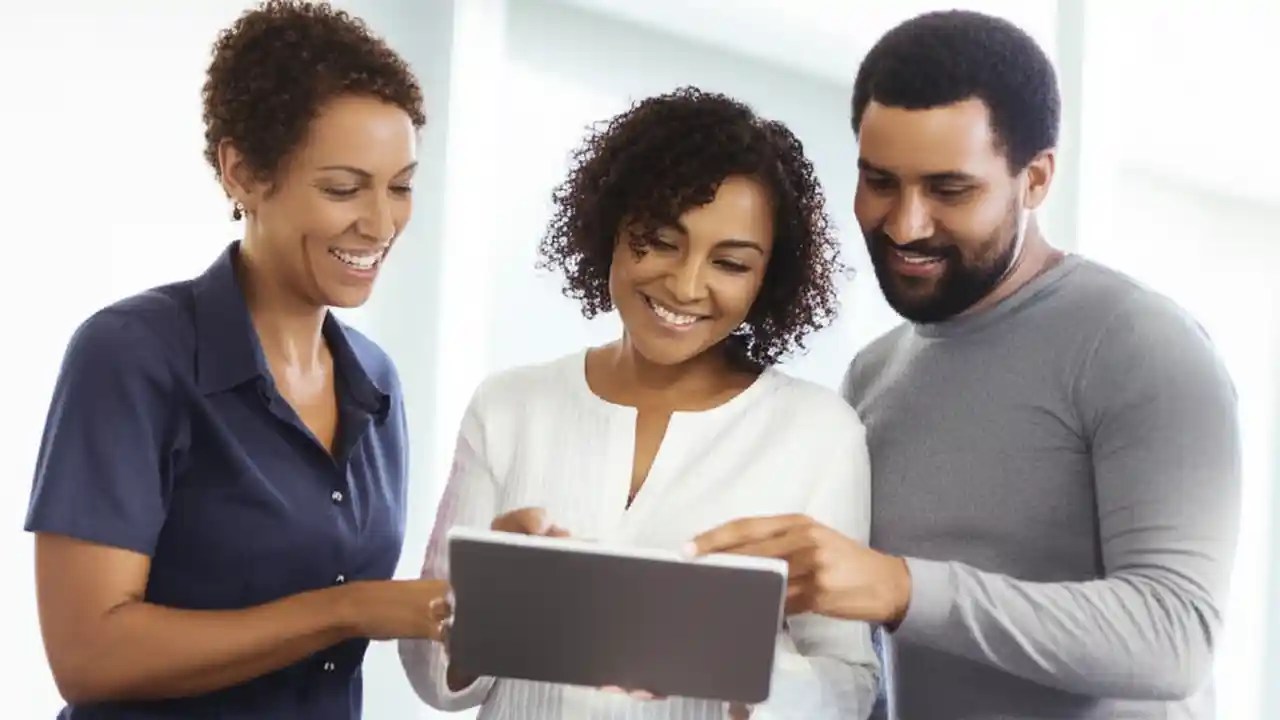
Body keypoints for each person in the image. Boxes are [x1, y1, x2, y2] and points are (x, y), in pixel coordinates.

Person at [692, 10, 1241, 720]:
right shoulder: (874, 375)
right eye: (879, 180)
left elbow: (1176, 637)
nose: (905, 223)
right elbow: (853, 647)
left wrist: (901, 588)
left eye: (950, 190)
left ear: (1035, 178)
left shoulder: (1141, 345)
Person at [23, 3, 452, 718]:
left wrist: (502, 576)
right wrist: (343, 611)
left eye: (400, 186)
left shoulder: (375, 384)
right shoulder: (132, 356)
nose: (380, 224)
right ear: (243, 171)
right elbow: (88, 656)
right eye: (343, 188)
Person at [399, 86, 880, 719]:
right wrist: (481, 604)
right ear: (613, 224)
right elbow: (435, 684)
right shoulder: (511, 406)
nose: (685, 285)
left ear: (768, 280)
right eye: (660, 240)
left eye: (730, 263)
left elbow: (850, 681)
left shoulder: (818, 432)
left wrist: (749, 674)